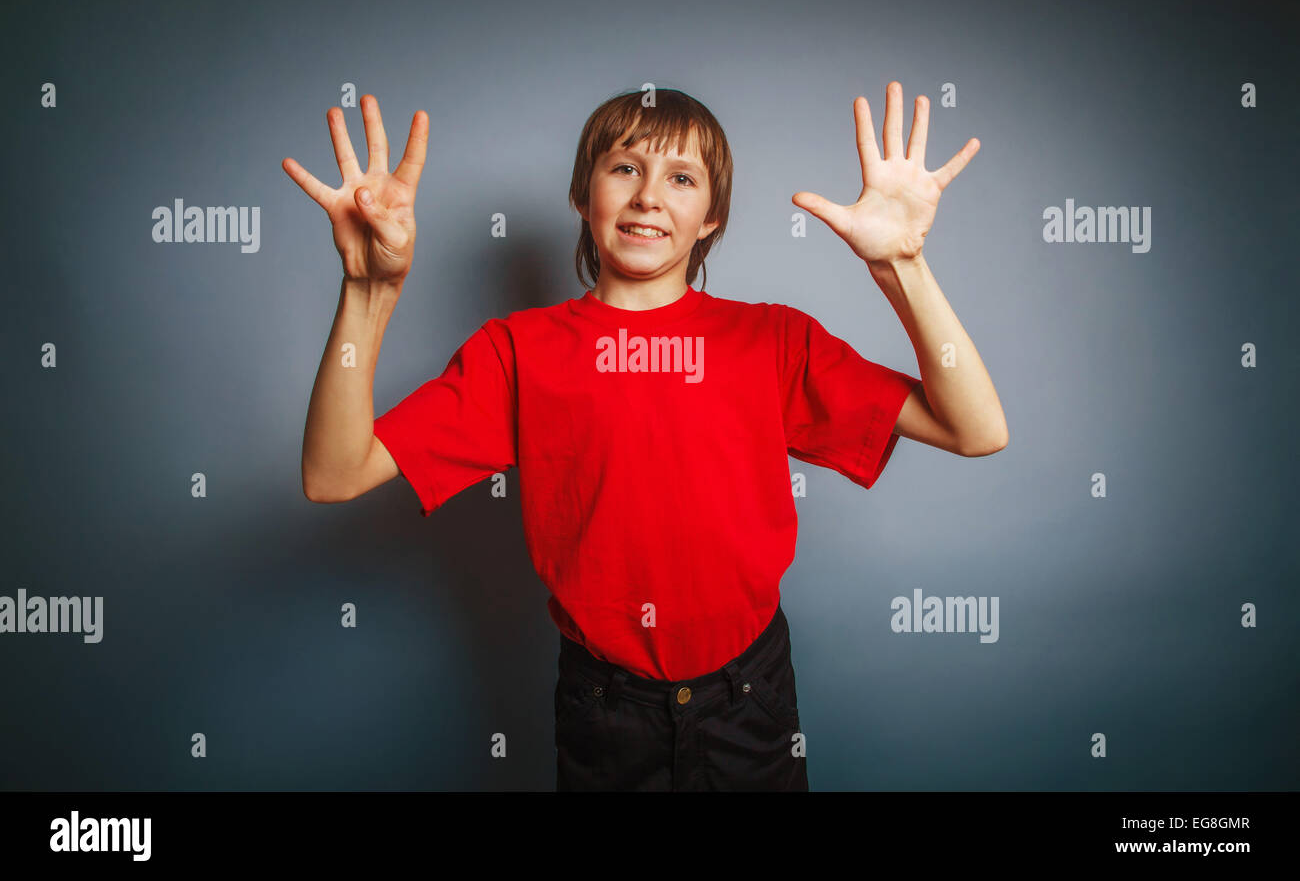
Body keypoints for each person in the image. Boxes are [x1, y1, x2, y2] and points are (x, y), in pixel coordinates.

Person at [284, 82, 1007, 791]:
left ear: (712, 216)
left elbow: (973, 429)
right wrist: (367, 290)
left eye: (681, 177)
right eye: (626, 167)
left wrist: (902, 267)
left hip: (750, 700)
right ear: (582, 194)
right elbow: (335, 473)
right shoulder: (519, 351)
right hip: (605, 714)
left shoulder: (772, 340)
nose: (648, 196)